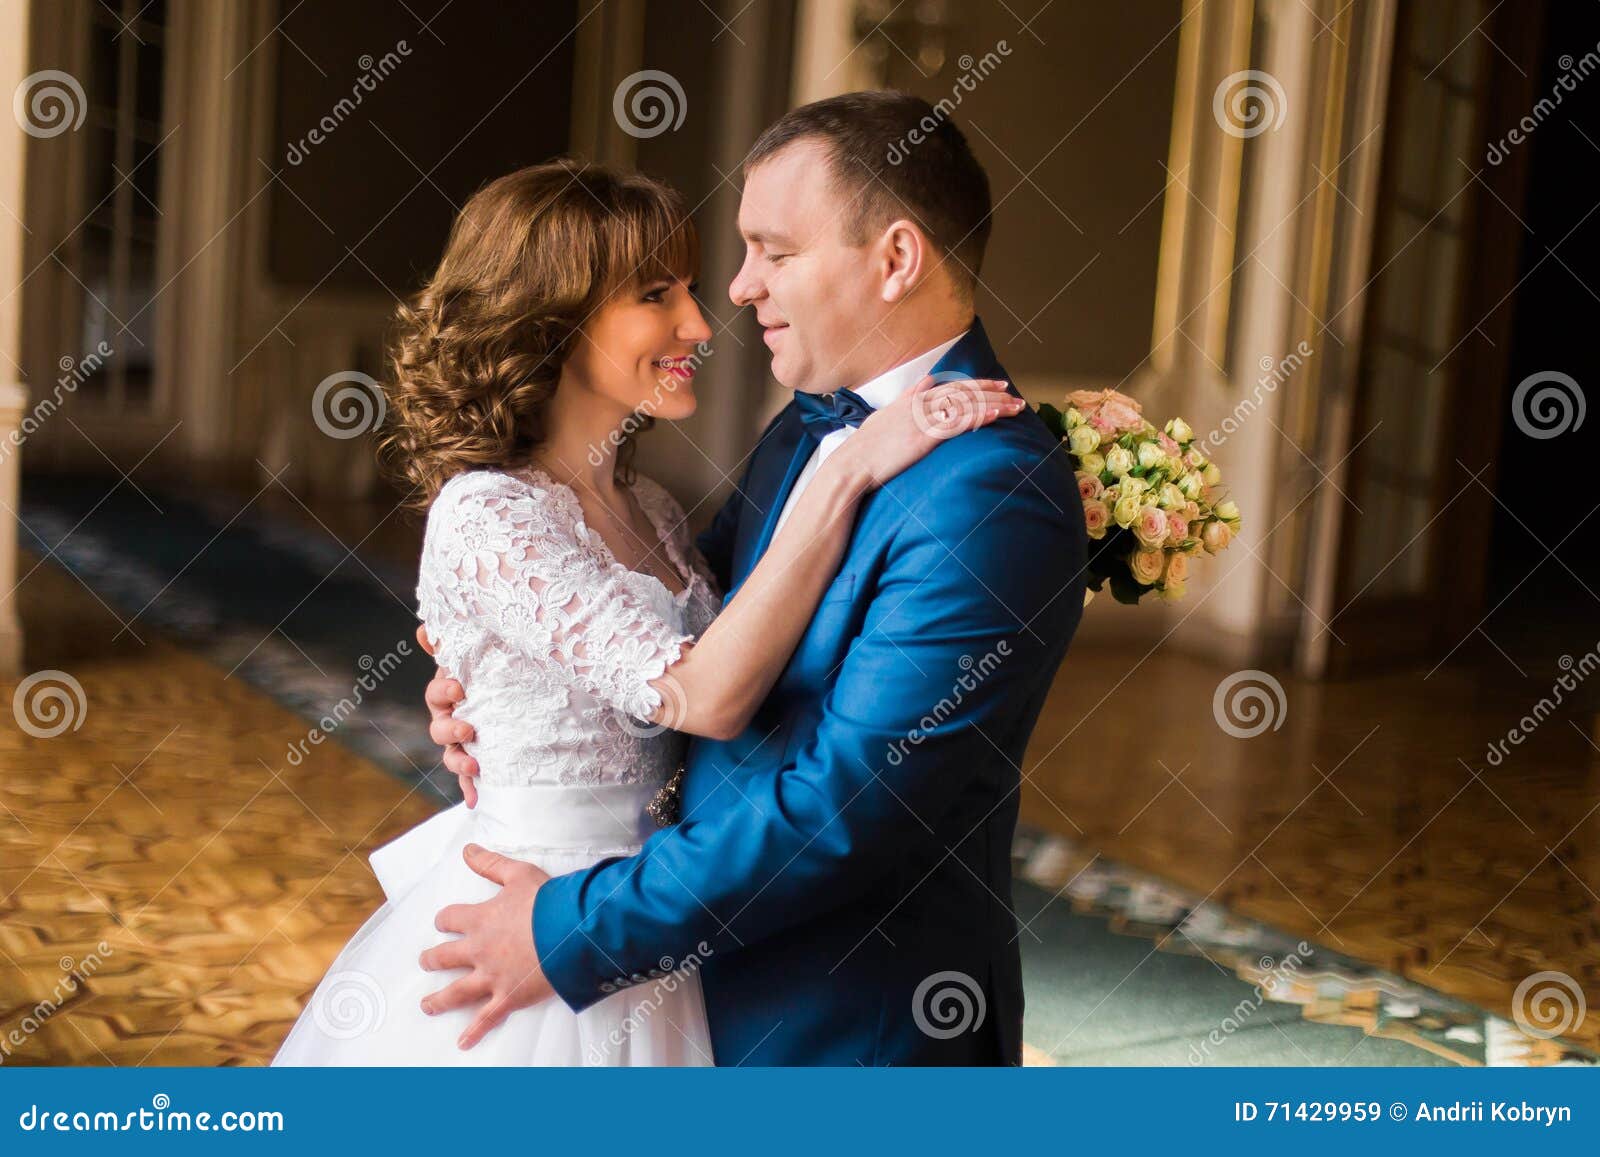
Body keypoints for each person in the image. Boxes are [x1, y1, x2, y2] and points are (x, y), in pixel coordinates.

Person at [271, 154, 1018, 1066]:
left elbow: (719, 641)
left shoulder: (655, 511)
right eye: (656, 294)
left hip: (656, 928)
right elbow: (702, 693)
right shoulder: (487, 511)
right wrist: (857, 464)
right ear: (552, 318)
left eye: (692, 289)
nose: (702, 322)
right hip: (534, 926)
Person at [418, 92, 1088, 1066]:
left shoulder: (990, 491)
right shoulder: (803, 430)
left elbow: (845, 812)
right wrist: (498, 680)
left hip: (848, 1026)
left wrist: (566, 930)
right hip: (692, 986)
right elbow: (685, 627)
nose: (735, 291)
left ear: (895, 259)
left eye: (773, 251)